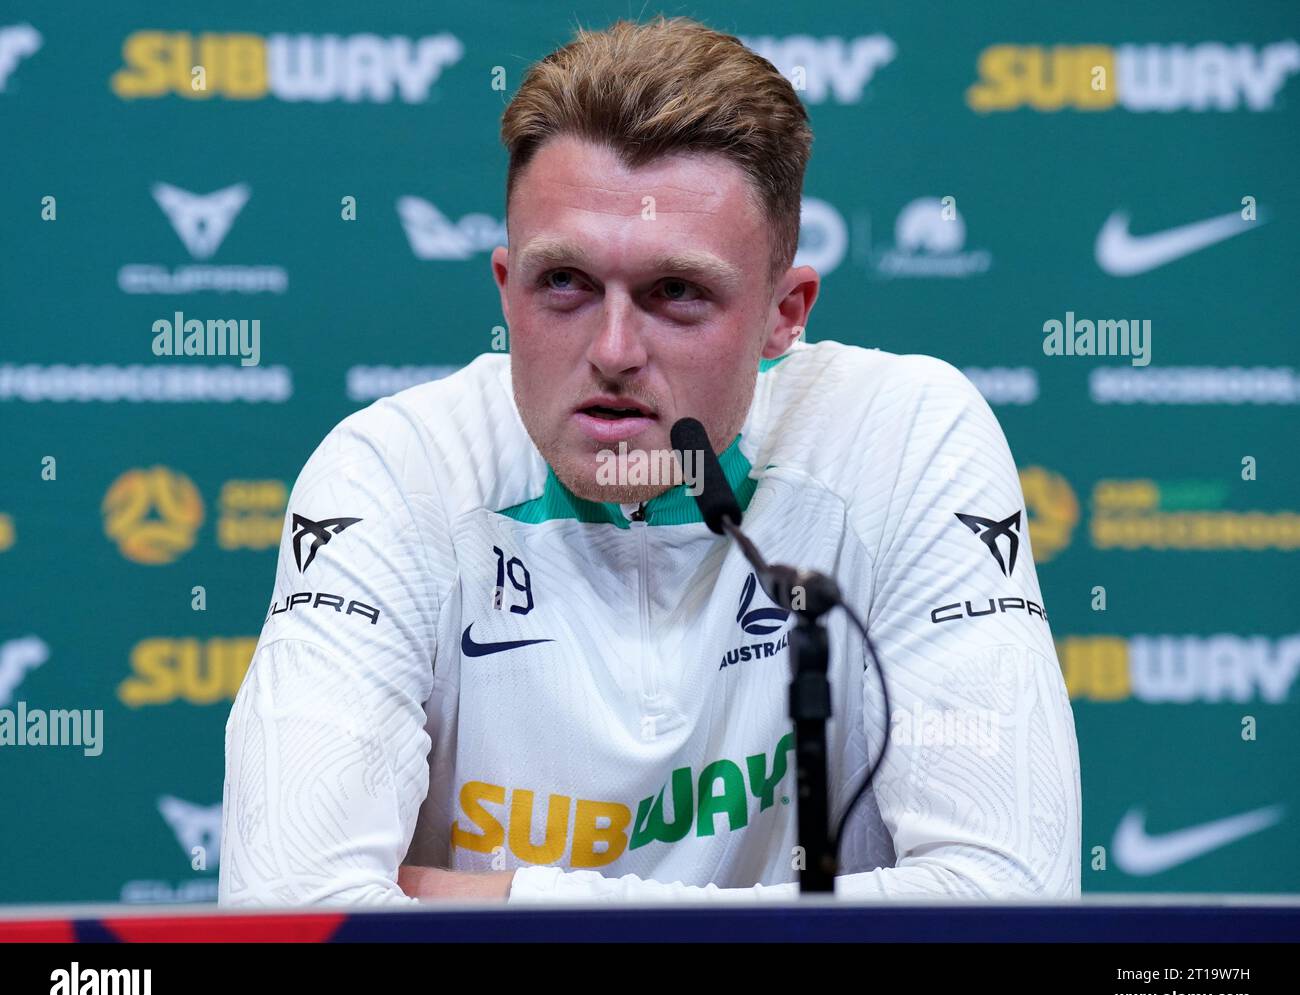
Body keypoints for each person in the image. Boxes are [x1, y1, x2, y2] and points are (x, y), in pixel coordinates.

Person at [219, 15, 1081, 905]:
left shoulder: (902, 440)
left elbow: (1010, 902)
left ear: (785, 313)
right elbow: (288, 916)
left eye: (677, 293)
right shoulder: (393, 474)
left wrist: (491, 900)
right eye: (567, 283)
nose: (615, 349)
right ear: (506, 291)